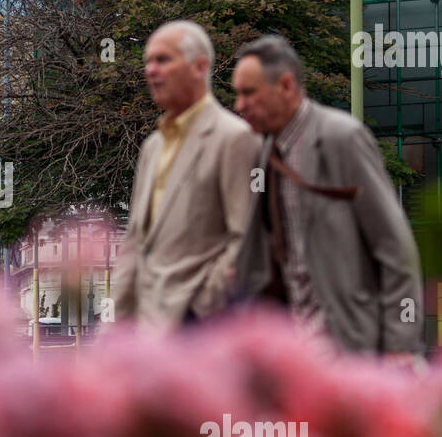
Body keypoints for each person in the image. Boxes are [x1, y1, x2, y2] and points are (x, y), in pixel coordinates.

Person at [229, 33, 424, 356]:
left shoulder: (341, 138)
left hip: (350, 348)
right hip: (296, 356)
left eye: (249, 93)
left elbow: (395, 245)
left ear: (287, 87)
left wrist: (399, 346)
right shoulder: (266, 153)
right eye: (237, 94)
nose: (239, 105)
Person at [112, 20, 261, 329]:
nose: (151, 70)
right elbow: (136, 242)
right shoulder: (152, 146)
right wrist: (117, 329)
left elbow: (246, 240)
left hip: (198, 331)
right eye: (148, 62)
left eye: (163, 60)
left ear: (199, 66)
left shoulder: (234, 138)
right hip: (144, 336)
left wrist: (199, 308)